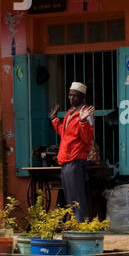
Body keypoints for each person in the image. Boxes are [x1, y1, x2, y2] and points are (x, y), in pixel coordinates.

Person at [50, 81, 95, 222]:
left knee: (77, 196)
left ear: (82, 97)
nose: (71, 98)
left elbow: (87, 138)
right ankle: (78, 223)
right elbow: (65, 134)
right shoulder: (70, 112)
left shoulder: (85, 113)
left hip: (75, 159)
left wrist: (83, 122)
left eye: (75, 96)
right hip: (65, 159)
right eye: (70, 95)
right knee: (70, 196)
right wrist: (54, 119)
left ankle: (81, 224)